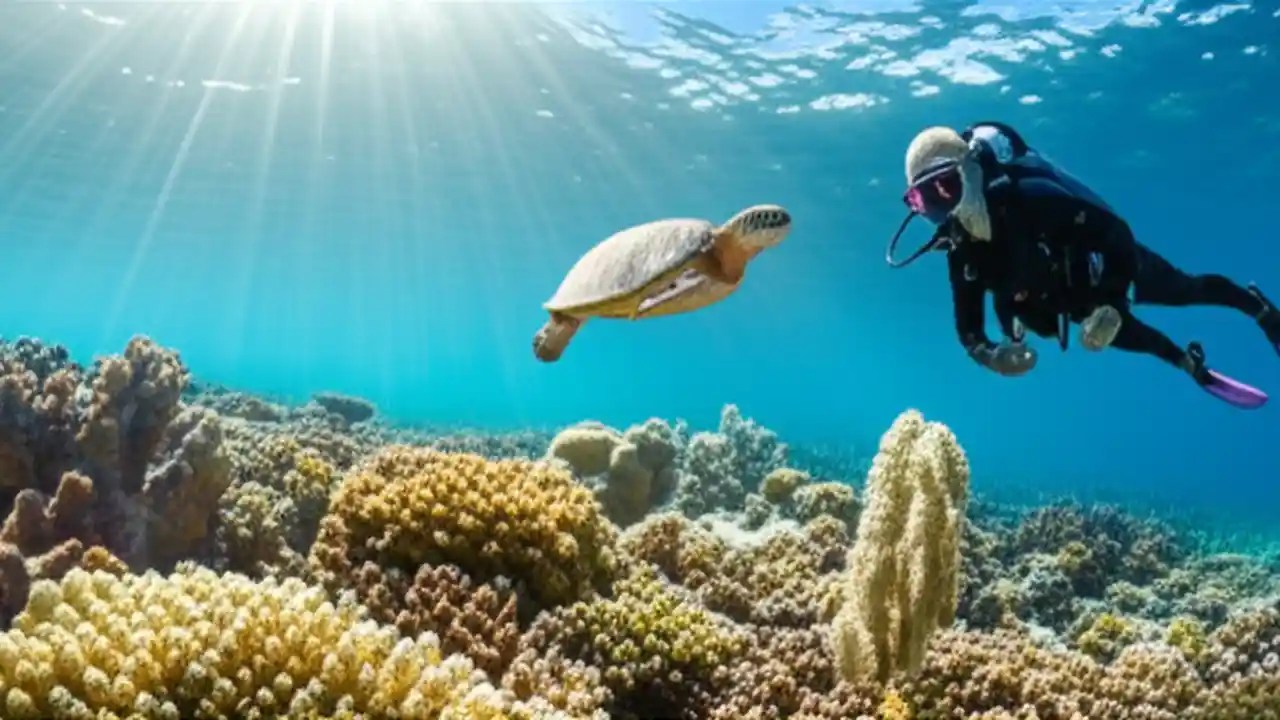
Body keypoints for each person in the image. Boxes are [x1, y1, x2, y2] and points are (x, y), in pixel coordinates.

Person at [884, 121, 1280, 409]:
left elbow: (1116, 232)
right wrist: (992, 357)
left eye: (945, 188)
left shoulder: (1032, 198)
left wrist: (1111, 295)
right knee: (1128, 337)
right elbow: (969, 330)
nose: (943, 212)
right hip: (1067, 302)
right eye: (925, 203)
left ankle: (1257, 308)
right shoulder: (961, 251)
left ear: (972, 171)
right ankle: (1185, 363)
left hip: (1109, 266)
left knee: (1184, 291)